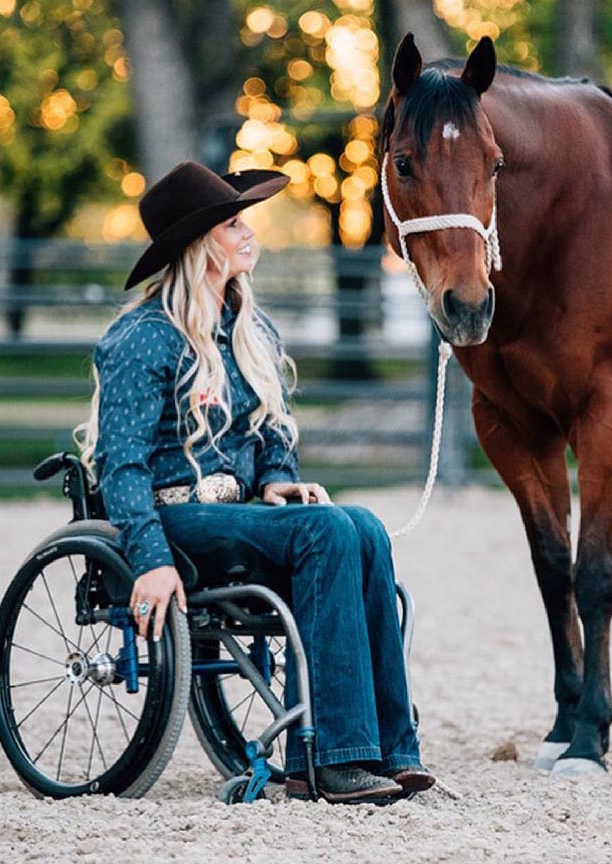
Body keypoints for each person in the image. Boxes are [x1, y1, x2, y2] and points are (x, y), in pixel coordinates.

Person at [76, 161, 434, 804]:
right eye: (232, 225)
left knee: (363, 526)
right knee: (327, 531)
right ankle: (329, 760)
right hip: (171, 519)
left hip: (240, 514)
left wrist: (276, 481)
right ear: (197, 245)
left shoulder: (249, 329)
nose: (248, 233)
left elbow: (273, 433)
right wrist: (151, 560)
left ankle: (390, 749)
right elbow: (120, 464)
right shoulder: (143, 338)